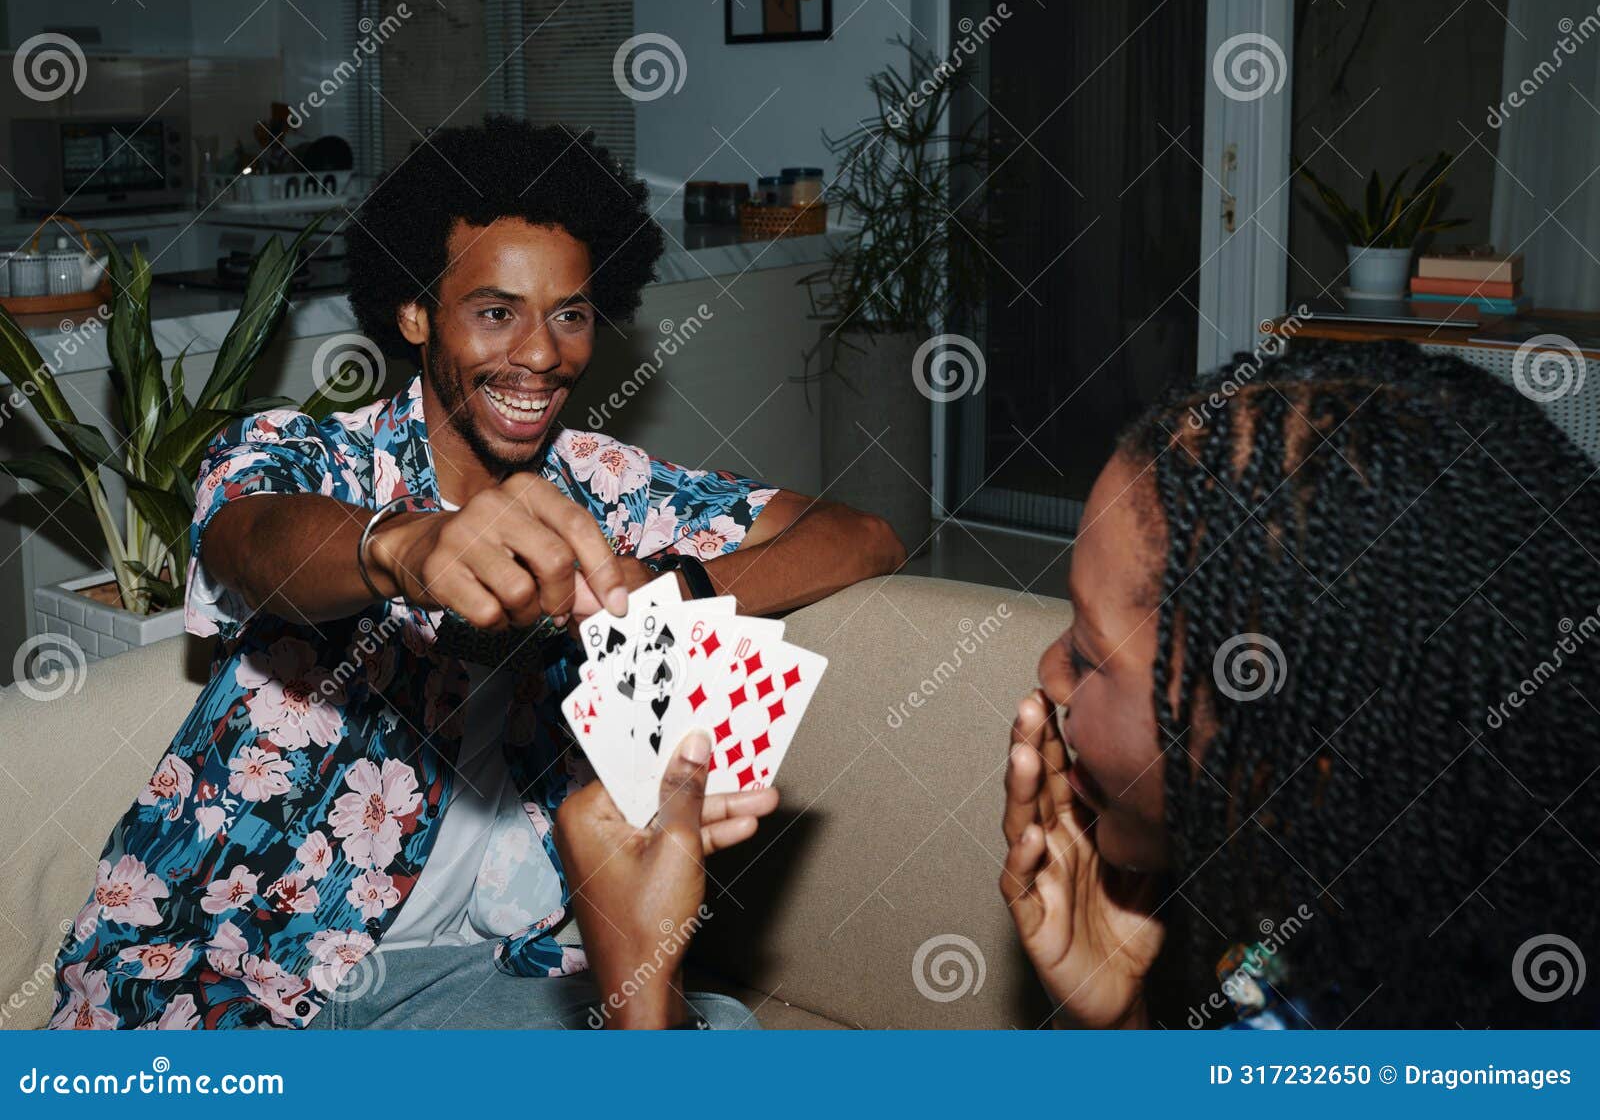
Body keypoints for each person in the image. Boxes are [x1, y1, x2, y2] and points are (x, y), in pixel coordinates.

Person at [49, 118, 903, 1030]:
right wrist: (402, 548)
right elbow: (249, 538)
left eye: (569, 314)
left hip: (473, 977)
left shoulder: (604, 488)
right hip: (240, 974)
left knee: (720, 1033)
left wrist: (666, 588)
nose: (540, 354)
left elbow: (861, 535)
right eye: (495, 312)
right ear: (415, 314)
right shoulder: (314, 458)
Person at [1002, 339, 1600, 1028]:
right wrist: (1113, 1023)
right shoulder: (1319, 921)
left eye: (1086, 653)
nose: (1050, 674)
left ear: (1300, 737)